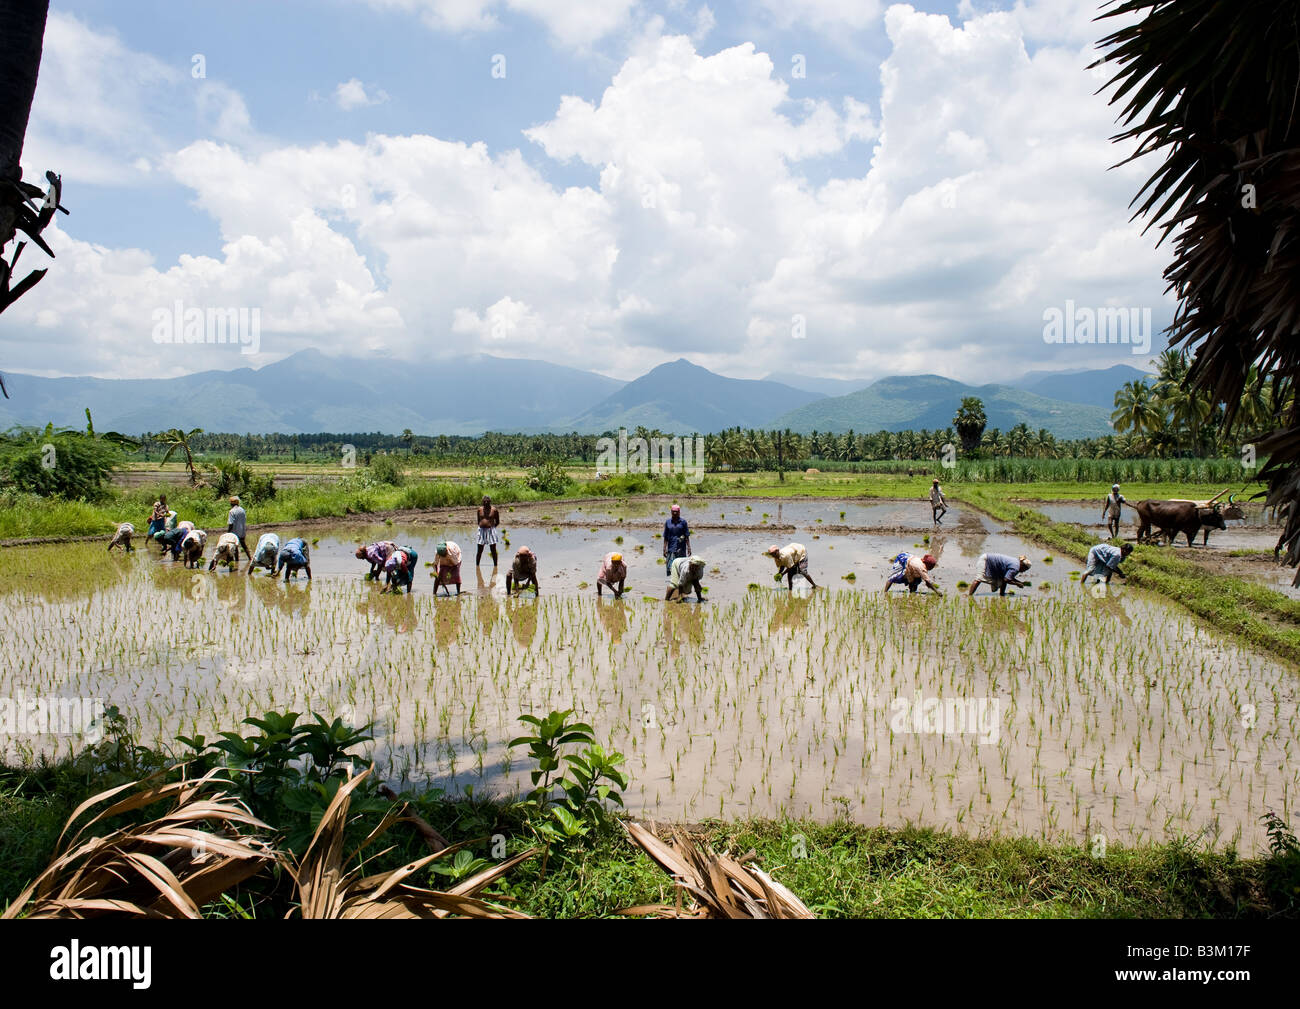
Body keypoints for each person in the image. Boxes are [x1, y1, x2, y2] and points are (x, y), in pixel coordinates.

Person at [663, 504, 691, 578]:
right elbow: (665, 536)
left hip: (681, 548)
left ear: (679, 512)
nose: (675, 513)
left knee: (681, 568)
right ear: (671, 512)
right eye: (673, 511)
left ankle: (680, 584)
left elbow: (687, 536)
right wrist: (664, 548)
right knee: (671, 568)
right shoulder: (668, 522)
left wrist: (689, 548)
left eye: (676, 511)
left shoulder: (683, 522)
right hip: (671, 548)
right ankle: (674, 584)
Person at [476, 496, 500, 567]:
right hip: (481, 531)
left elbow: (497, 521)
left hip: (491, 530)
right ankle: (477, 566)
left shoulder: (494, 510)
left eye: (487, 501)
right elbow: (478, 520)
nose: (486, 503)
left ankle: (495, 565)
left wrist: (492, 528)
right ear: (482, 502)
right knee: (479, 550)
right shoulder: (479, 510)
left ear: (490, 502)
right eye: (484, 501)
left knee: (493, 550)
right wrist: (482, 526)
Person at [227, 496, 251, 560]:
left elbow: (231, 523)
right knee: (244, 546)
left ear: (232, 503)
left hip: (234, 533)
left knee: (235, 547)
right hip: (242, 531)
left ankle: (237, 561)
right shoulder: (242, 510)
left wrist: (228, 533)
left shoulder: (232, 511)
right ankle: (250, 558)